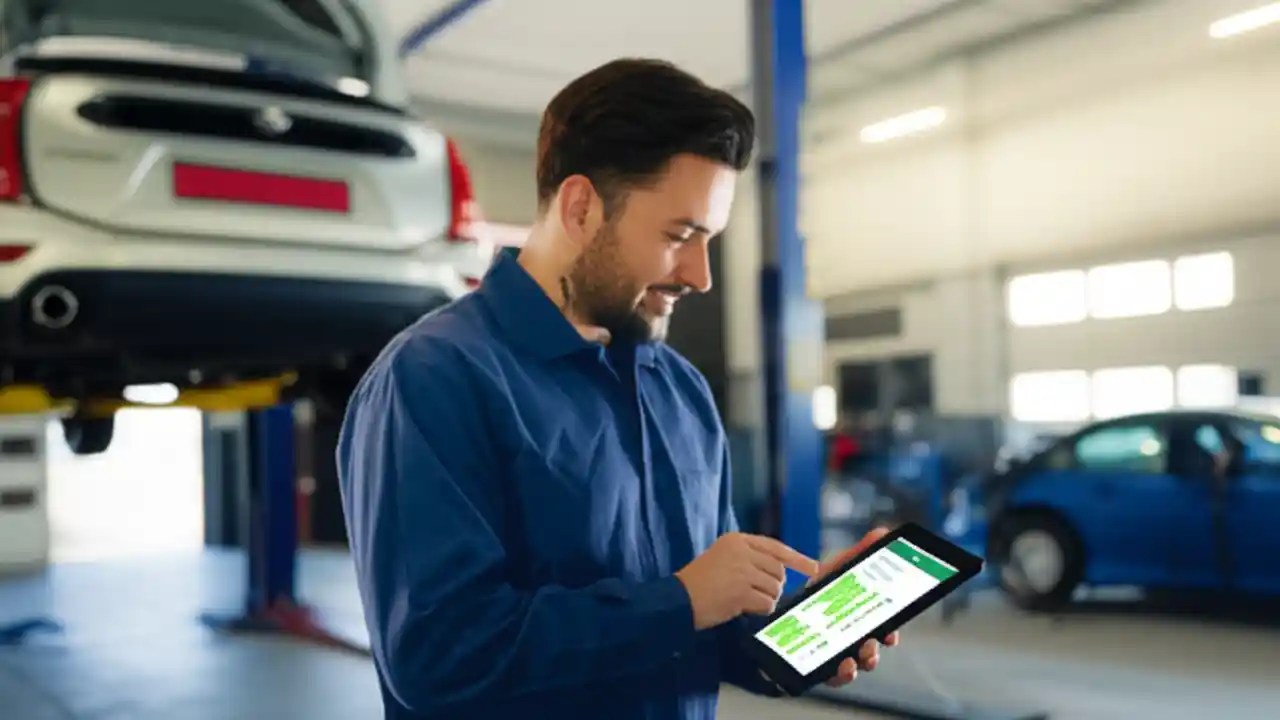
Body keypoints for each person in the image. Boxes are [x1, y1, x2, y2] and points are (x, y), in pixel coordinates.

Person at [337, 58, 898, 720]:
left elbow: (703, 629)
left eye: (709, 240)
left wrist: (803, 636)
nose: (700, 275)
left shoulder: (679, 392)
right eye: (679, 236)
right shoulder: (433, 379)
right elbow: (437, 656)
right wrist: (682, 600)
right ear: (580, 207)